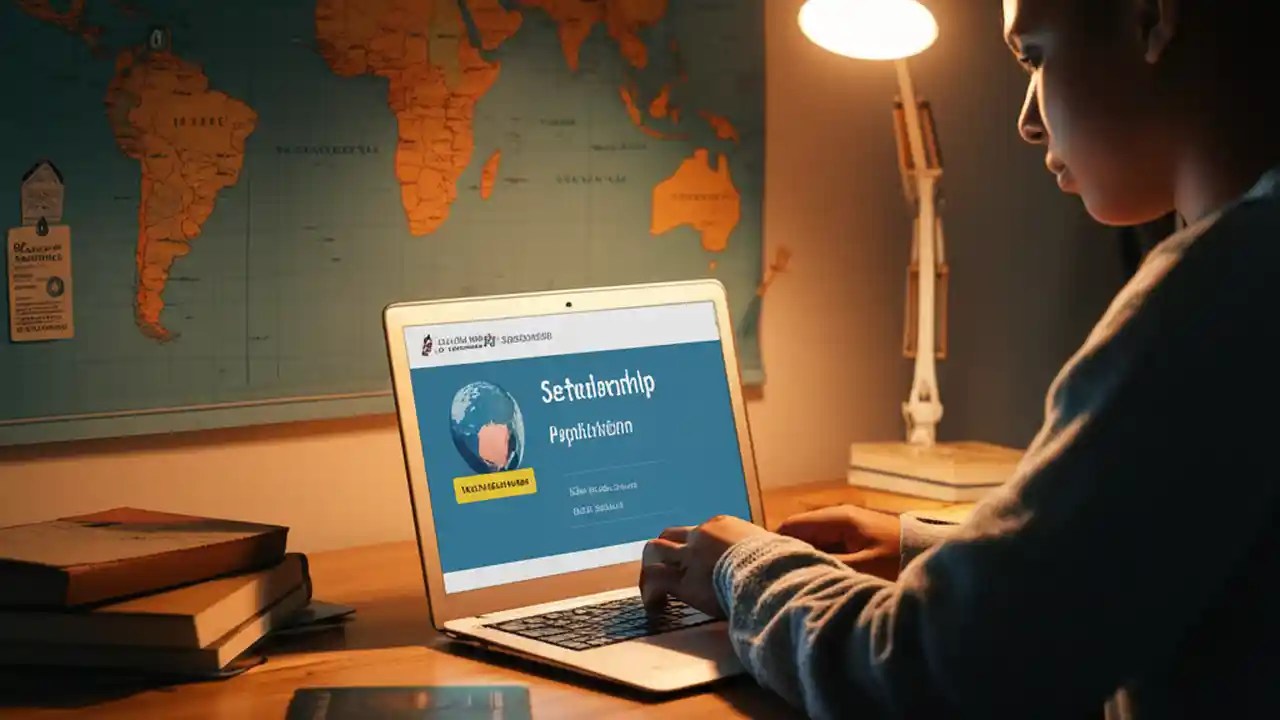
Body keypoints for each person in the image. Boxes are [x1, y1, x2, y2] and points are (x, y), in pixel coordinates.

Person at [638, 1, 1280, 718]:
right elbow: (1129, 556)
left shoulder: (1220, 294)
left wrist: (742, 567)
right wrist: (921, 547)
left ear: (1153, 18)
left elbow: (928, 673)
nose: (1027, 121)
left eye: (1034, 56)